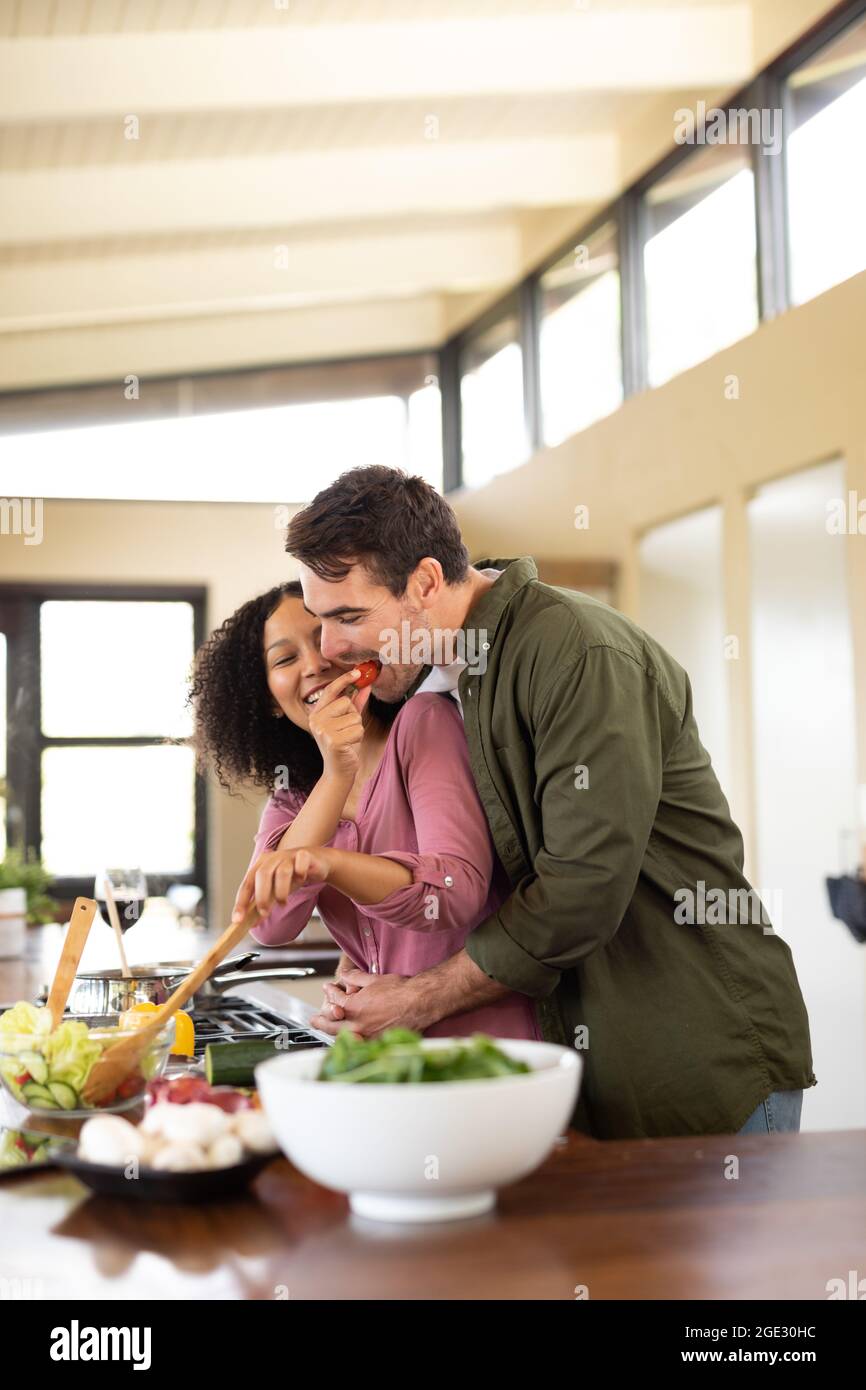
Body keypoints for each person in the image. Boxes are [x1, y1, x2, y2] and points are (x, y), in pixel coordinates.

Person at [233, 466, 817, 1140]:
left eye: (348, 617)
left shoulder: (575, 652)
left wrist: (418, 998)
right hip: (595, 1070)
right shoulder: (444, 681)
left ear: (424, 583)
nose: (331, 650)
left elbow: (581, 888)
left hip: (694, 1063)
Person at [190, 581, 539, 1040]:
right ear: (270, 701)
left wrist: (329, 864)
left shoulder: (424, 725)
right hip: (387, 1054)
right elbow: (270, 924)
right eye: (285, 658)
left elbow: (454, 893)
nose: (314, 664)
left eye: (321, 639)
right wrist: (336, 776)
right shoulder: (291, 797)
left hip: (483, 1047)